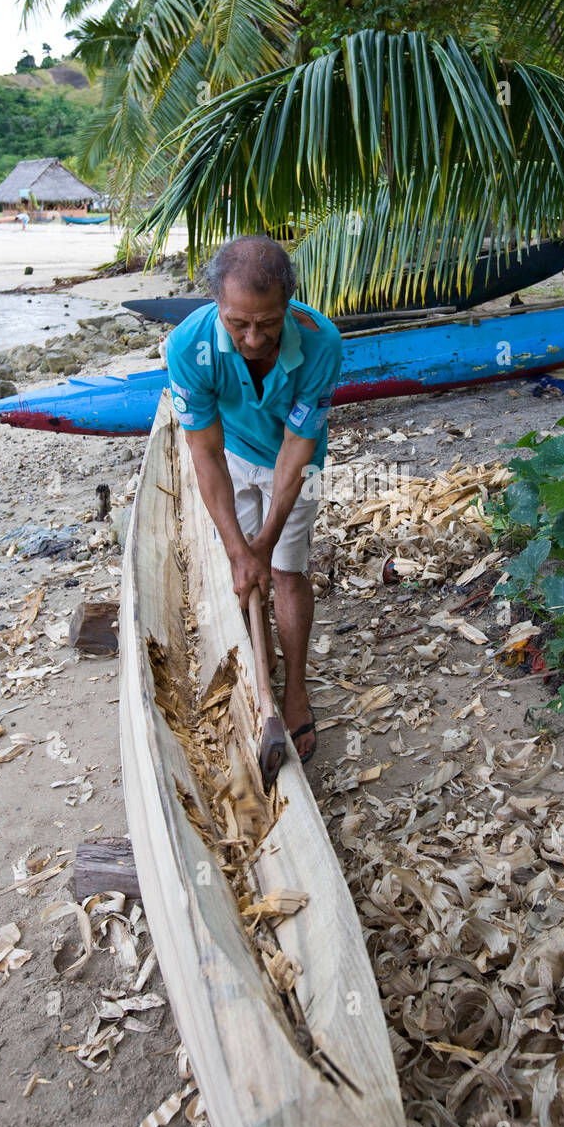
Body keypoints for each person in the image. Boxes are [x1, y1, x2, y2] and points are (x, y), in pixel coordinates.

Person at [165, 236, 343, 763]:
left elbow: (297, 445)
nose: (251, 336)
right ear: (216, 304)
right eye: (237, 322)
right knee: (242, 572)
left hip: (298, 461)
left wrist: (264, 543)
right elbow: (205, 452)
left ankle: (294, 689)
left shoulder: (322, 343)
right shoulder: (186, 347)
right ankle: (259, 680)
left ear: (289, 304)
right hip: (231, 454)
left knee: (286, 569)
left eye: (267, 323)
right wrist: (243, 550)